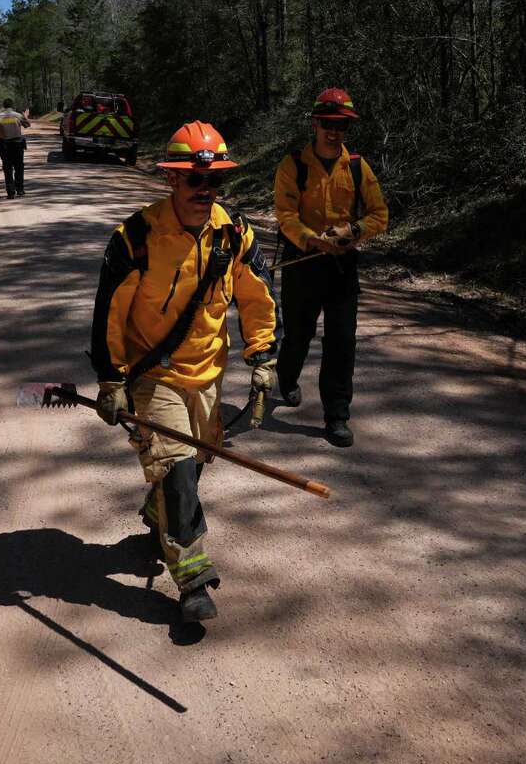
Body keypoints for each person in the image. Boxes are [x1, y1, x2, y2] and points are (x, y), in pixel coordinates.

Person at [90, 121, 281, 622]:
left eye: (215, 181)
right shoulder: (136, 238)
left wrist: (262, 360)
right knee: (177, 469)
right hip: (154, 375)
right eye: (195, 180)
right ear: (172, 180)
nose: (206, 190)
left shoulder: (234, 233)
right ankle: (193, 577)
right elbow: (109, 312)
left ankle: (160, 514)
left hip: (208, 374)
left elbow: (258, 300)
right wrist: (111, 379)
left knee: (195, 461)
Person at [272, 87, 388, 448]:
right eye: (327, 123)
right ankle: (287, 378)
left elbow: (379, 214)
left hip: (341, 268)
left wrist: (353, 231)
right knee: (298, 336)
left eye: (341, 124)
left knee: (341, 342)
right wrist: (313, 239)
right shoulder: (293, 165)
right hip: (301, 263)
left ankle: (337, 415)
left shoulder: (357, 166)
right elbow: (285, 215)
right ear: (315, 123)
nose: (333, 130)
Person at [0, 99, 30, 198]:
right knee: (19, 168)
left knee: (7, 169)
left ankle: (10, 192)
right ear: (12, 105)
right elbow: (27, 125)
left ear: (4, 106)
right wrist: (26, 116)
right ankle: (20, 190)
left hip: (4, 146)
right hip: (17, 145)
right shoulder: (18, 115)